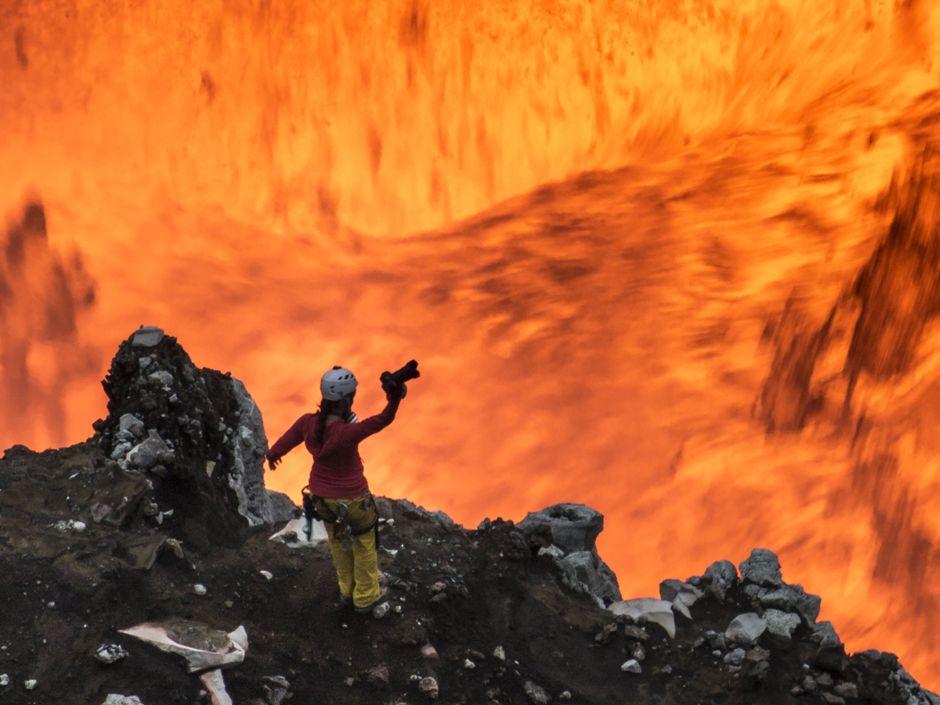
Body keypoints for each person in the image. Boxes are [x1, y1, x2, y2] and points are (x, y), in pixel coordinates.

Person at [265, 365, 405, 613]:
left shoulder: (308, 423)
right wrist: (395, 398)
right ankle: (365, 597)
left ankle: (346, 591)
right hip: (353, 498)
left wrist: (273, 454)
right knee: (364, 542)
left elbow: (289, 438)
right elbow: (383, 420)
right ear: (346, 399)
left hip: (321, 498)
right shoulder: (347, 432)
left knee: (339, 542)